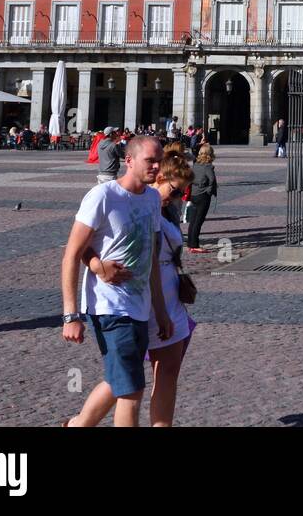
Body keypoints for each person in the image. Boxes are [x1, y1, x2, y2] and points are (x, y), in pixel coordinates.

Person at [60, 136, 173, 427]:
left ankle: (76, 426)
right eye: (151, 160)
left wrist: (160, 312)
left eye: (160, 159)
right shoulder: (103, 196)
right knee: (132, 390)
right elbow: (72, 253)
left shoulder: (151, 198)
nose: (158, 166)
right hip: (109, 308)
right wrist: (71, 315)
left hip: (139, 307)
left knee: (118, 381)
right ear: (130, 161)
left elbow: (152, 263)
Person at [81, 155, 196, 426]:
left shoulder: (164, 208)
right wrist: (97, 265)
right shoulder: (125, 200)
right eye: (175, 190)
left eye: (182, 192)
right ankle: (79, 424)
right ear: (159, 178)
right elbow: (82, 244)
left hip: (169, 299)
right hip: (138, 300)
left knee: (166, 374)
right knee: (123, 380)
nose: (178, 197)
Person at [187, 144, 218, 252]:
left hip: (194, 194)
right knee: (198, 221)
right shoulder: (208, 166)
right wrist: (209, 192)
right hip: (203, 196)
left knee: (193, 220)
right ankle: (195, 245)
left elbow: (194, 147)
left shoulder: (196, 163)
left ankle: (190, 243)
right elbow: (212, 180)